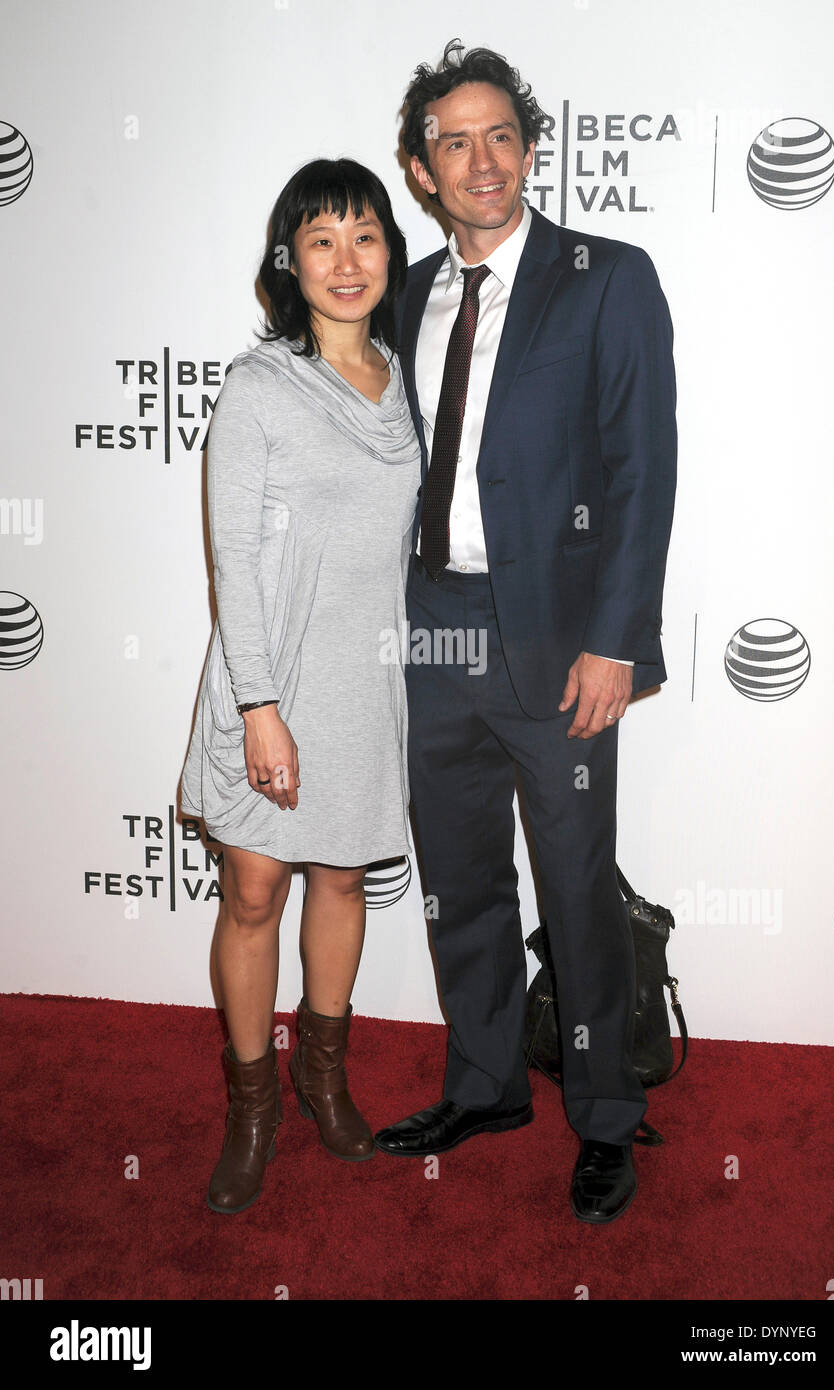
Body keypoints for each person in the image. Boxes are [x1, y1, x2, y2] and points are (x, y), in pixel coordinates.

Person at [373, 41, 677, 1225]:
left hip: (556, 638)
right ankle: (487, 1080)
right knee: (458, 878)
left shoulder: (607, 277)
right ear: (421, 168)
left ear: (530, 148)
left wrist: (615, 641)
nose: (480, 158)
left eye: (500, 133)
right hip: (432, 626)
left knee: (573, 884)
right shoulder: (401, 293)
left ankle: (603, 1115)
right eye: (453, 140)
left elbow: (639, 473)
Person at [180, 158, 421, 1214]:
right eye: (319, 239)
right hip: (264, 685)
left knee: (338, 881)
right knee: (253, 890)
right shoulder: (256, 385)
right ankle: (251, 1110)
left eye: (363, 234)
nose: (344, 258)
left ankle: (321, 1077)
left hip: (363, 681)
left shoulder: (408, 379)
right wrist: (259, 709)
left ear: (387, 254)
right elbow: (232, 561)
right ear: (289, 260)